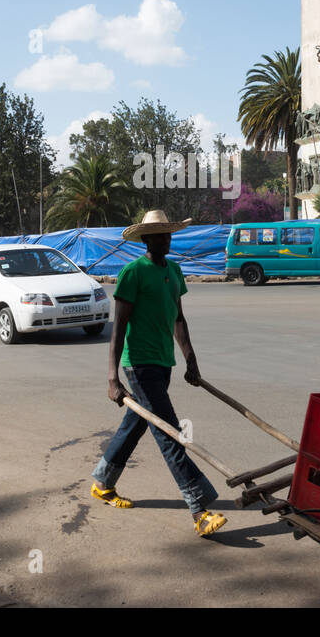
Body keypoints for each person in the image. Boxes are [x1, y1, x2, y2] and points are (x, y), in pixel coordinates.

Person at [91, 209, 226, 537]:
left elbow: (178, 319)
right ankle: (199, 510)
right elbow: (118, 328)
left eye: (168, 233)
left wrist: (191, 360)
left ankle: (103, 483)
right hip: (138, 364)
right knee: (169, 432)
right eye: (159, 235)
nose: (166, 239)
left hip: (164, 362)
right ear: (146, 239)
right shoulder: (132, 273)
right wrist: (112, 378)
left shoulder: (175, 271)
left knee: (136, 424)